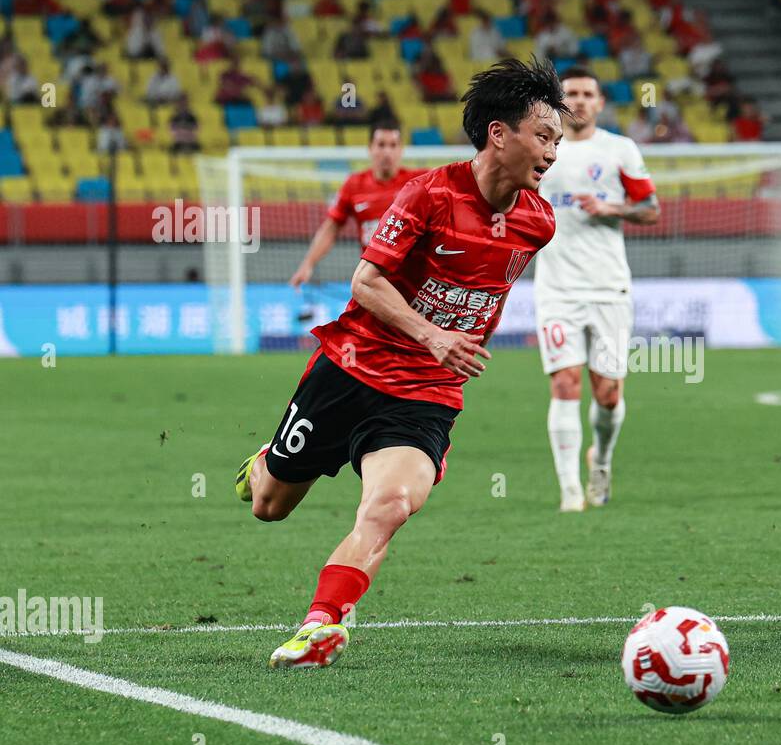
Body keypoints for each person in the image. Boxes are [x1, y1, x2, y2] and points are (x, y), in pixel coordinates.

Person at [235, 57, 568, 668]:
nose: (552, 153)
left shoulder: (537, 222)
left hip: (426, 395)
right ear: (500, 133)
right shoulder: (428, 194)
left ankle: (321, 625)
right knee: (270, 505)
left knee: (389, 506)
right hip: (350, 369)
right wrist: (432, 332)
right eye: (543, 136)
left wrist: (446, 347)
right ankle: (265, 461)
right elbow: (365, 282)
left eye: (558, 141)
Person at [535, 66, 659, 511]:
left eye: (589, 93)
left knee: (608, 392)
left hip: (609, 287)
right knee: (565, 384)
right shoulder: (540, 150)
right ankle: (569, 490)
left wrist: (611, 206)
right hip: (556, 289)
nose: (581, 101)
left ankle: (600, 461)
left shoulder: (619, 149)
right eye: (572, 93)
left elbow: (651, 209)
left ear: (601, 102)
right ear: (558, 101)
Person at [288, 121, 426, 288]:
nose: (387, 152)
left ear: (401, 149)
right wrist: (308, 264)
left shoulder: (418, 183)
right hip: (374, 280)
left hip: (414, 280)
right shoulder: (354, 185)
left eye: (393, 145)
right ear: (370, 148)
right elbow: (331, 229)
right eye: (381, 145)